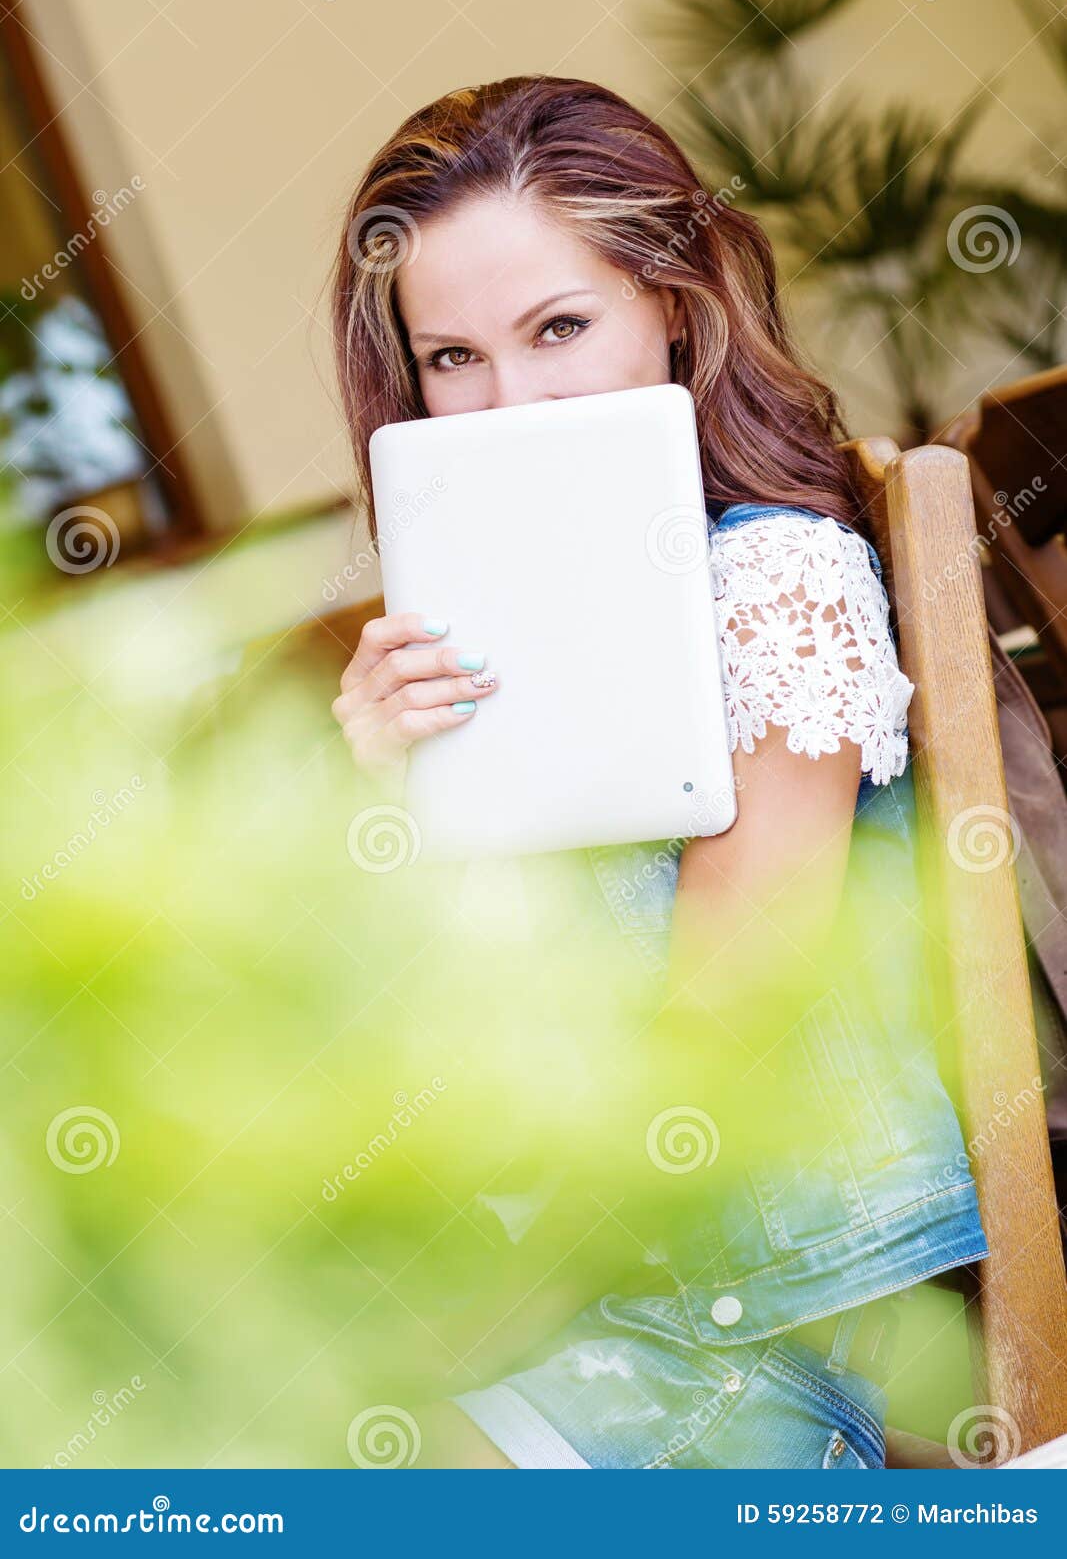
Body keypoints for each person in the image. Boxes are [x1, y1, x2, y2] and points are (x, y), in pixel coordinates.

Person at [327, 75, 989, 1468]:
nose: (511, 401)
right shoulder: (479, 634)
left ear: (674, 307)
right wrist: (386, 798)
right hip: (618, 1296)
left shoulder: (776, 581)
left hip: (801, 1324)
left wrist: (459, 1313)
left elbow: (716, 1037)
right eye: (453, 359)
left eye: (559, 327)